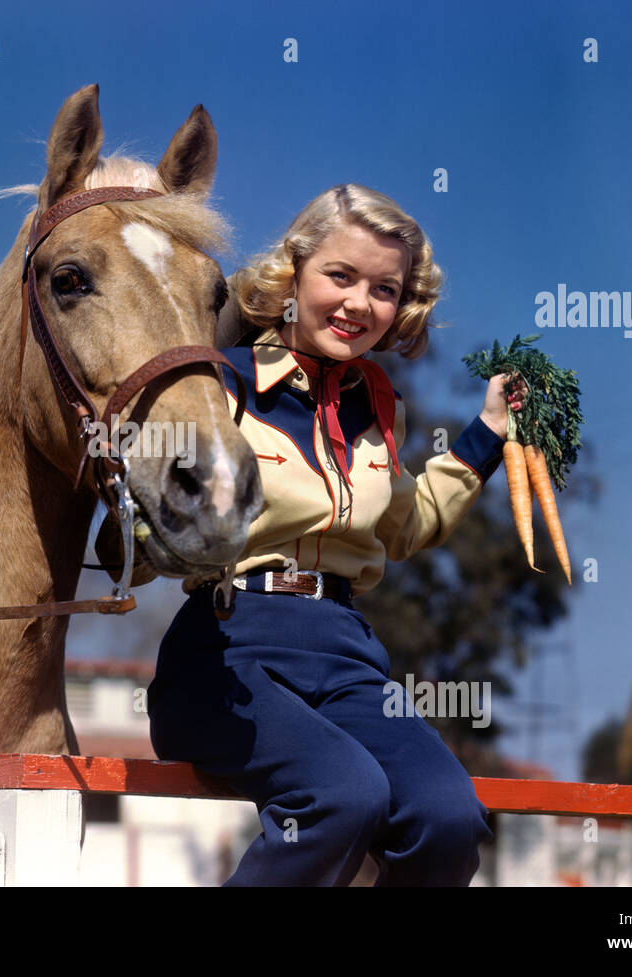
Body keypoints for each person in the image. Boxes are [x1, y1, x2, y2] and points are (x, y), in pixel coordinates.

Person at [145, 183, 527, 886]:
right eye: (340, 276)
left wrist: (488, 435)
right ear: (293, 273)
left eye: (384, 288)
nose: (359, 303)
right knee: (343, 795)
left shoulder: (381, 405)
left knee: (447, 816)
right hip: (228, 653)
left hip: (346, 657)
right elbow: (159, 517)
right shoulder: (218, 384)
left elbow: (404, 524)